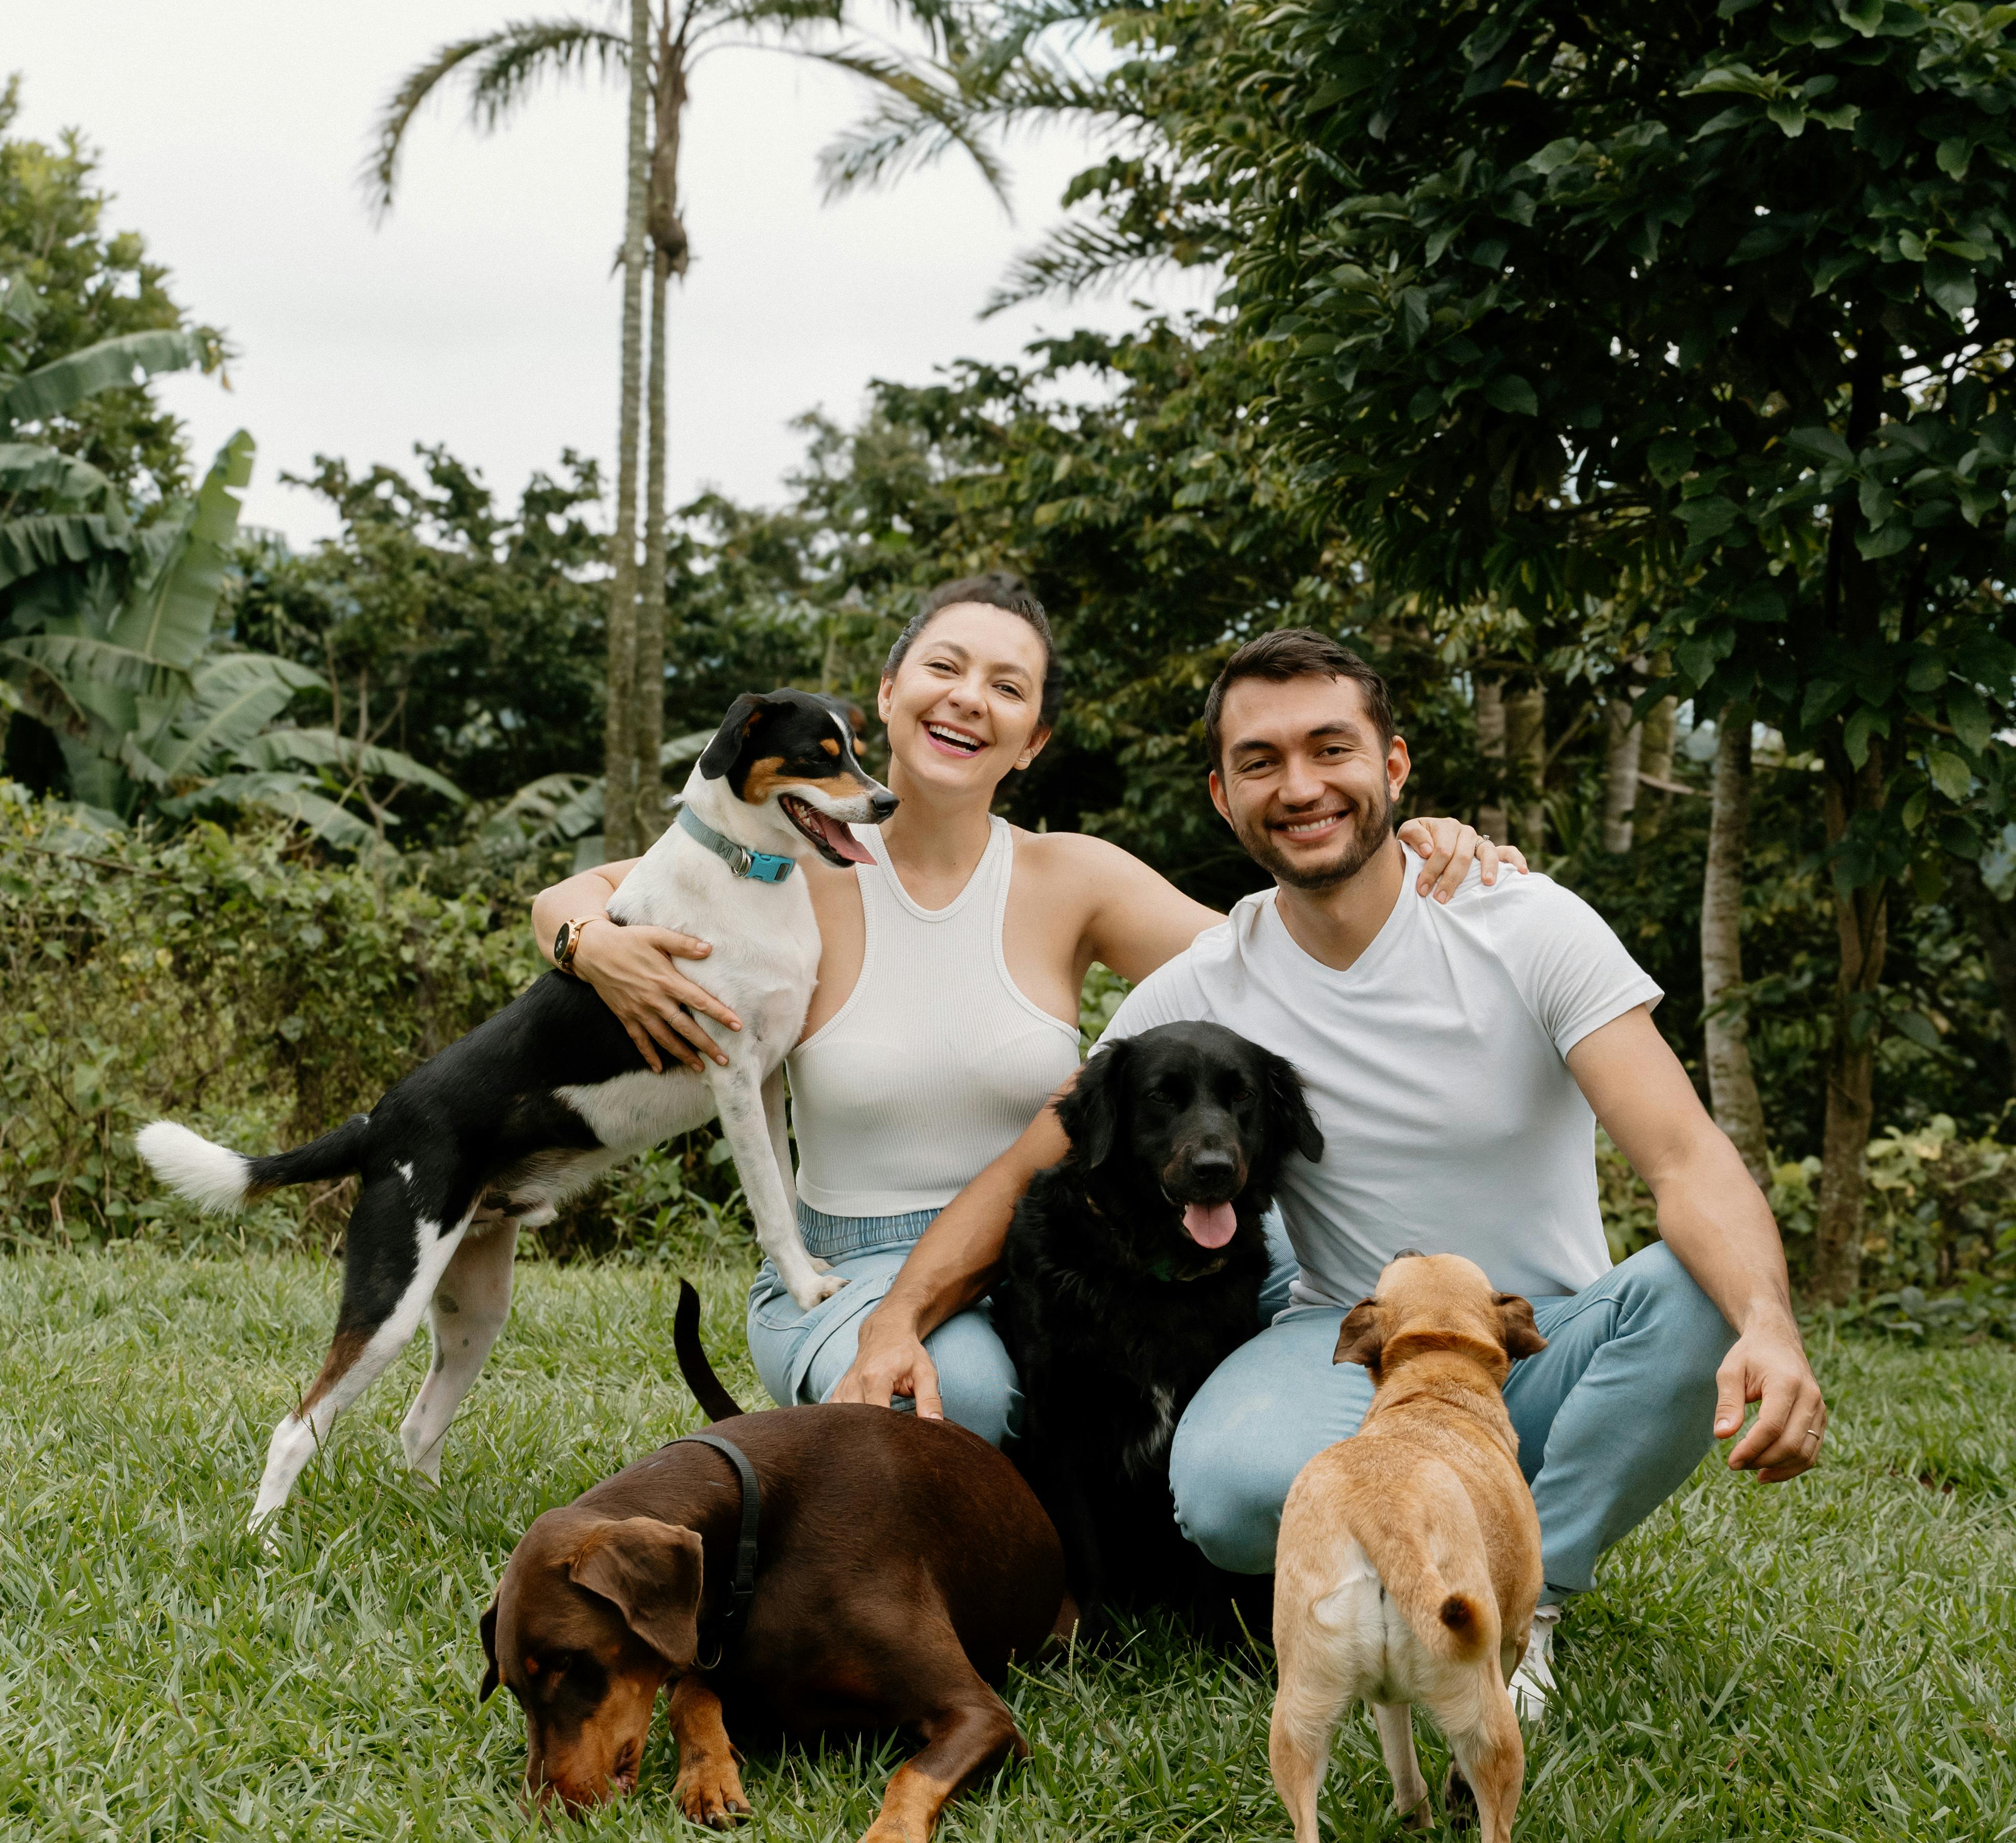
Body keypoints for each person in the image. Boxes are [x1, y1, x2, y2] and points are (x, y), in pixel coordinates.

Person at [833, 626, 1828, 1718]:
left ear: (1392, 766)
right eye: (1260, 762)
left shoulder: (1528, 925)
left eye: (1330, 750)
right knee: (1224, 1496)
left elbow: (1684, 1158)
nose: (1299, 786)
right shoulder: (1207, 985)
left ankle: (1527, 1603)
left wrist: (1768, 1327)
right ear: (1223, 796)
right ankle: (1409, 1558)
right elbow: (1026, 1169)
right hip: (1346, 1345)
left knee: (1698, 1294)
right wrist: (895, 1321)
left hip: (1535, 1341)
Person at [531, 578, 1518, 1448]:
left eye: (1008, 688)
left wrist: (1413, 844)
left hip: (1073, 1248)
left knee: (1328, 1310)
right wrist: (591, 942)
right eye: (944, 667)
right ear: (887, 695)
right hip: (862, 1266)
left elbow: (1284, 948)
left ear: (1034, 740)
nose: (969, 698)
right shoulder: (788, 872)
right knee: (963, 1404)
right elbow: (572, 896)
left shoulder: (1071, 876)